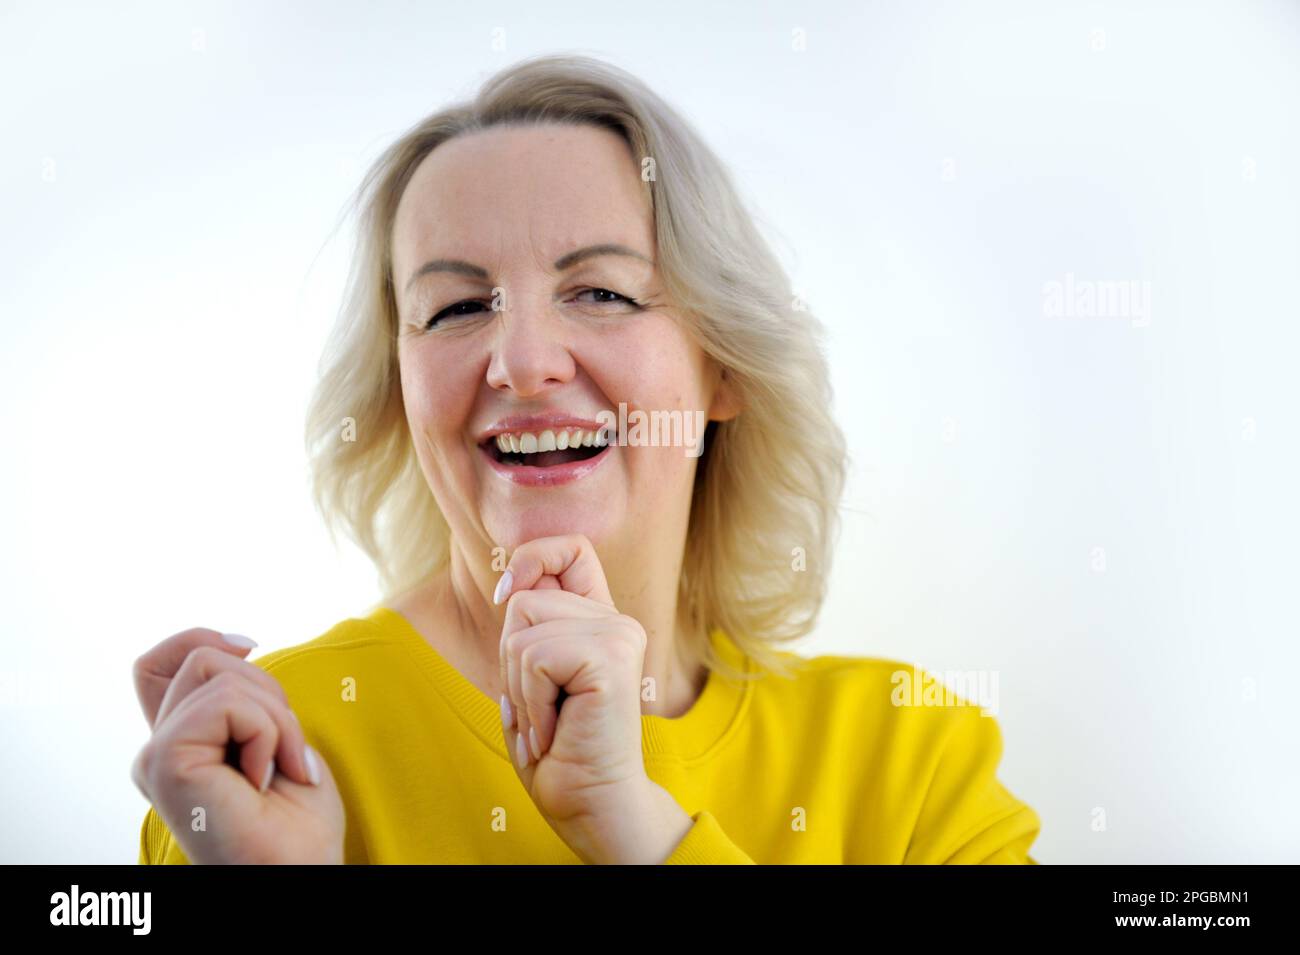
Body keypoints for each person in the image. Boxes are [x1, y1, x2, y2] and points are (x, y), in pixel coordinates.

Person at [132, 53, 1041, 864]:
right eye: (454, 308)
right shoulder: (264, 758)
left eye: (601, 291)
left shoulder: (910, 757)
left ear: (723, 365)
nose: (524, 362)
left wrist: (639, 830)